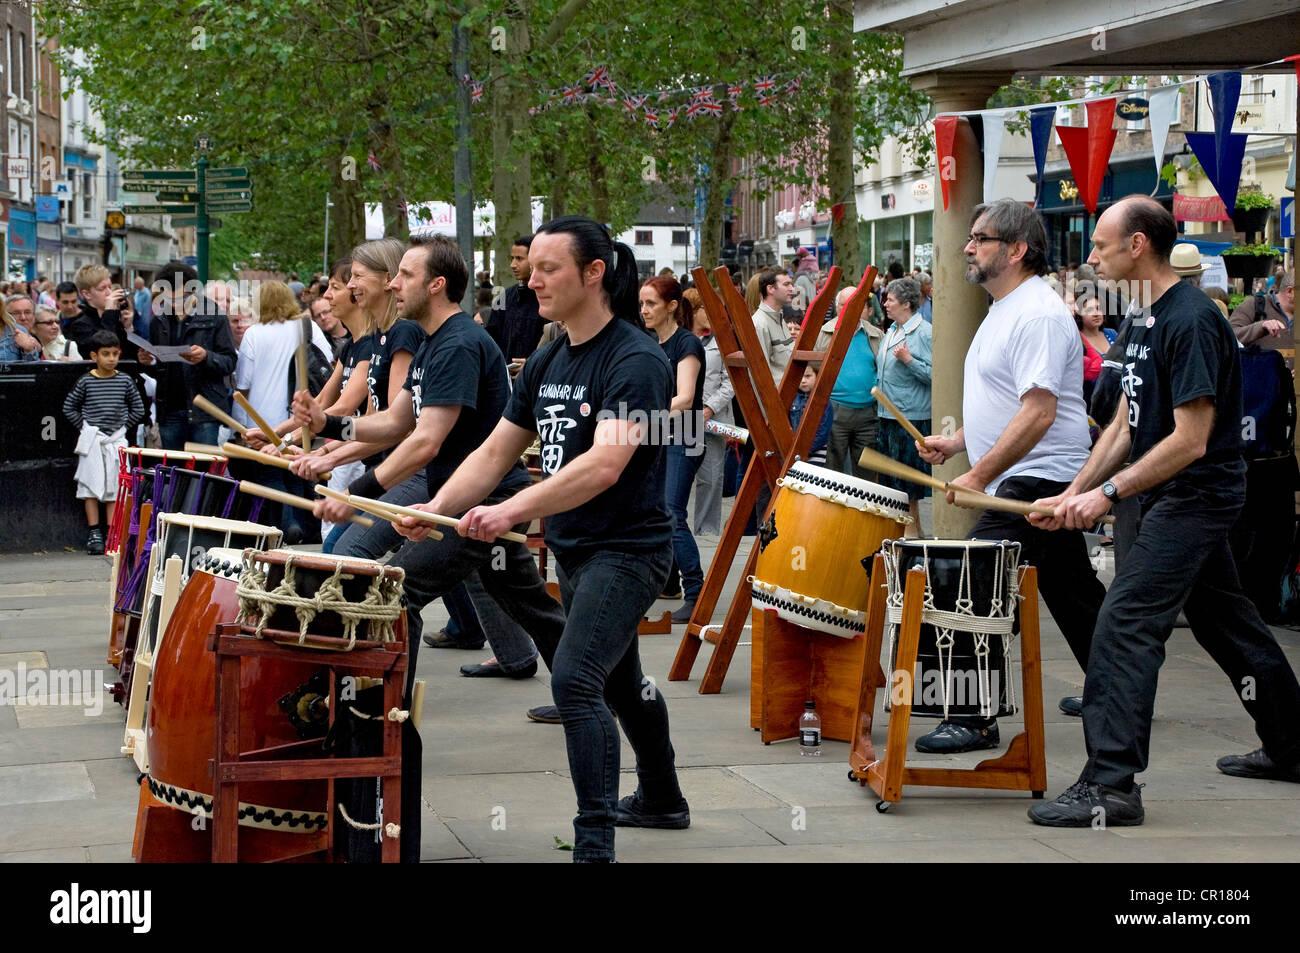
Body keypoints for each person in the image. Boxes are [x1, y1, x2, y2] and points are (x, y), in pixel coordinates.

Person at [397, 216, 687, 863]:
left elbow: (605, 464)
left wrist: (512, 512)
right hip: (578, 550)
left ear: (594, 273)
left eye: (547, 268)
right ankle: (664, 797)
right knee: (621, 684)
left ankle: (593, 846)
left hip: (630, 552)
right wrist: (437, 508)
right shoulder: (552, 356)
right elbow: (496, 449)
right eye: (532, 268)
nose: (531, 280)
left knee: (576, 681)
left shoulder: (636, 360)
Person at [1025, 195, 1300, 826]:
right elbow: (1127, 422)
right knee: (1227, 623)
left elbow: (1191, 438)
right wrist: (1075, 493)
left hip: (1196, 497)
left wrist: (1109, 495)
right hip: (1167, 495)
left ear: (1138, 245)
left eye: (1100, 244)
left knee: (1125, 623)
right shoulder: (1143, 319)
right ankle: (1293, 746)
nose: (1091, 256)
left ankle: (1112, 785)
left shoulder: (1193, 319)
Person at [291, 236, 548, 681]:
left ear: (436, 284)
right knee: (530, 604)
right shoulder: (433, 342)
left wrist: (356, 494)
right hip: (463, 496)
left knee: (396, 592)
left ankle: (391, 723)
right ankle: (586, 682)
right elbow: (395, 423)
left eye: (405, 275)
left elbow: (425, 442)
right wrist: (328, 425)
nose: (393, 285)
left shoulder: (458, 344)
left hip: (483, 500)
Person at [917, 197, 1106, 753]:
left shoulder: (1038, 312)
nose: (968, 247)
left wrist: (977, 474)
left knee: (973, 585)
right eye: (970, 237)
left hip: (1039, 478)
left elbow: (1040, 411)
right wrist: (958, 442)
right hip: (1026, 474)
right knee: (1072, 591)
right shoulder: (1005, 308)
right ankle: (1118, 683)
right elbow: (1007, 405)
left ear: (1017, 250)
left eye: (981, 238)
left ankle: (974, 718)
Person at [640, 275, 705, 624]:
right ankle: (667, 583)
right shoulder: (653, 343)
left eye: (650, 303)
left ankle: (696, 592)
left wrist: (641, 416)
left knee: (672, 513)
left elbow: (685, 398)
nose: (644, 310)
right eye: (642, 304)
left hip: (685, 437)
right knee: (656, 511)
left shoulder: (686, 344)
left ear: (672, 307)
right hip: (663, 436)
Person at [136, 261, 238, 449]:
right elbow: (158, 368)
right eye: (169, 299)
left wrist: (206, 356)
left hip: (205, 410)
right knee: (174, 471)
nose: (175, 304)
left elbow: (230, 361)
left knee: (202, 472)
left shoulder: (214, 316)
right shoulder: (159, 320)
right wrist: (147, 362)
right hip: (170, 409)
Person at [63, 330, 145, 554]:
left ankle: (113, 532)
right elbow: (69, 406)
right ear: (94, 355)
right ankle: (94, 532)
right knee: (89, 486)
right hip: (93, 441)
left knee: (115, 486)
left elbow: (138, 408)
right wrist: (86, 428)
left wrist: (123, 428)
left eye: (115, 354)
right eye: (105, 354)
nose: (111, 359)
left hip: (115, 441)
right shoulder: (86, 381)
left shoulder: (125, 380)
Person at [875, 277, 933, 535]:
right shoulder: (892, 330)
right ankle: (902, 532)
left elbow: (936, 376)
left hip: (910, 416)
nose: (885, 303)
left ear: (907, 304)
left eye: (890, 299)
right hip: (887, 414)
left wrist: (909, 360)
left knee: (908, 483)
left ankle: (912, 534)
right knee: (891, 482)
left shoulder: (925, 333)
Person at [819, 285, 883, 482]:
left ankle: (864, 512)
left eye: (855, 304)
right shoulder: (823, 333)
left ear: (865, 308)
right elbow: (812, 370)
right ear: (837, 307)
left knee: (867, 474)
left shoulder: (875, 334)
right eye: (843, 304)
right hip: (834, 410)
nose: (848, 309)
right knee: (832, 470)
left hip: (868, 413)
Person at [691, 288, 733, 536]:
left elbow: (731, 381)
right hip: (681, 420)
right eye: (709, 308)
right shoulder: (679, 338)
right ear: (695, 310)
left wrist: (709, 408)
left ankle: (706, 531)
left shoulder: (722, 340)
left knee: (711, 478)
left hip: (712, 419)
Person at [485, 234, 545, 365]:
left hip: (538, 376)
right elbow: (491, 336)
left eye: (519, 259)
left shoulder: (548, 296)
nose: (513, 264)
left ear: (534, 260)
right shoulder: (505, 296)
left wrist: (532, 365)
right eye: (512, 258)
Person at [64, 265, 134, 359]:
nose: (109, 292)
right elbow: (103, 350)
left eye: (110, 287)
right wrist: (109, 313)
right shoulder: (80, 326)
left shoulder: (115, 318)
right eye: (102, 289)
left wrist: (128, 328)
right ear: (87, 294)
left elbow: (129, 357)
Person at [1230, 269, 1294, 359]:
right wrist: (1260, 326)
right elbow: (1228, 336)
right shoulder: (1254, 305)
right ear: (1290, 291)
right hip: (1257, 371)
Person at [1076, 292, 1117, 405]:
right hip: (1094, 400)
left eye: (1099, 308)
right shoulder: (1079, 340)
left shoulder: (1112, 333)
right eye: (1089, 310)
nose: (1096, 314)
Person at [789, 364, 832, 465]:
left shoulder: (824, 401)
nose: (803, 380)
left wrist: (806, 450)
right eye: (801, 377)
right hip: (794, 451)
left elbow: (823, 431)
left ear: (817, 375)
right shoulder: (792, 399)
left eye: (808, 376)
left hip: (817, 451)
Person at [310, 295, 351, 360]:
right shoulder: (320, 345)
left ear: (336, 309)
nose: (323, 318)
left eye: (325, 312)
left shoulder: (355, 332)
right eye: (318, 316)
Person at [0, 296, 40, 362]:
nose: (23, 317)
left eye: (27, 312)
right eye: (16, 313)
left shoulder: (42, 331)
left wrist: (30, 349)